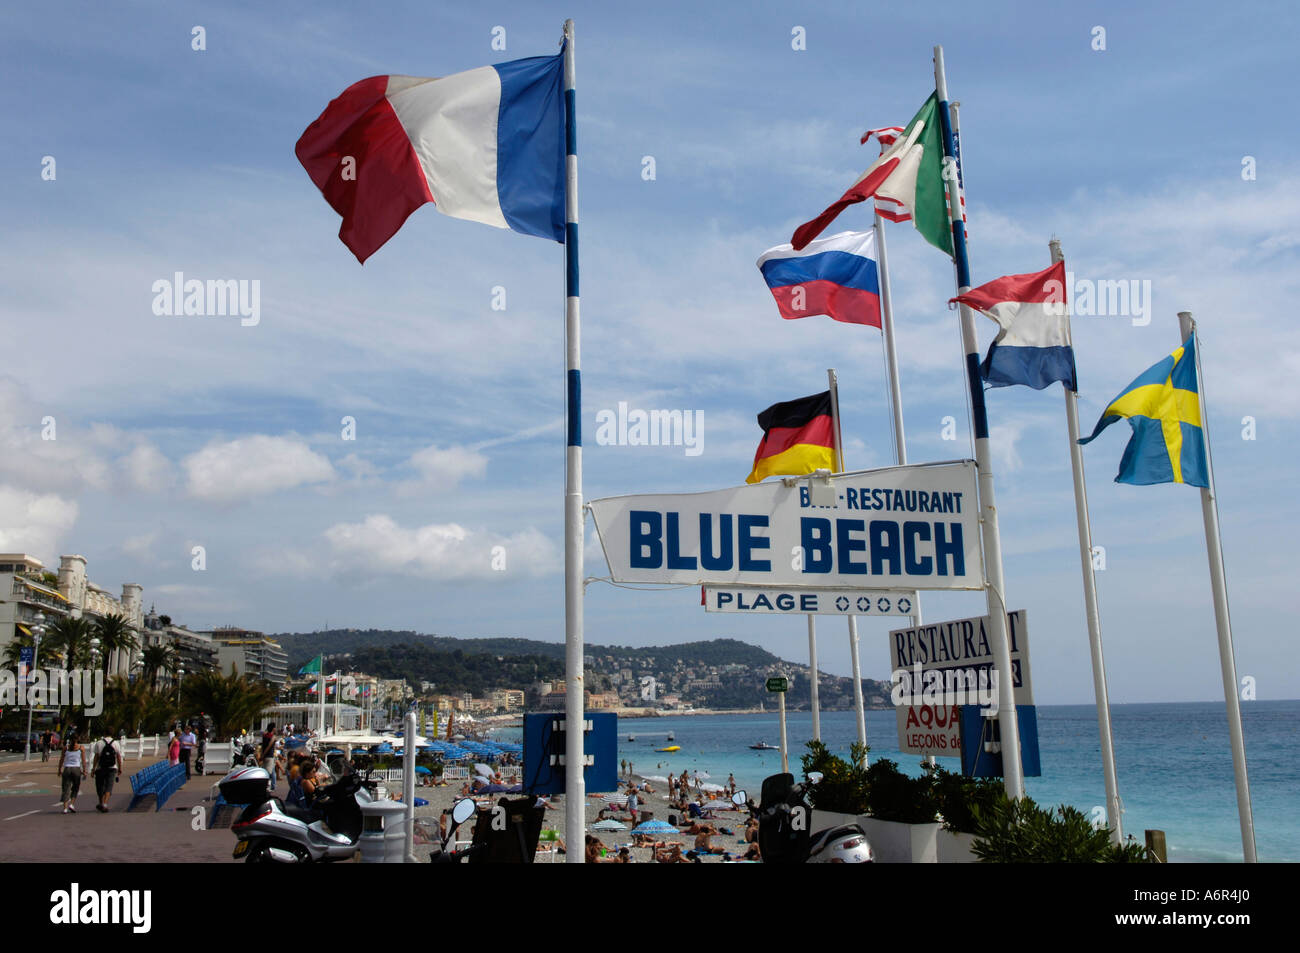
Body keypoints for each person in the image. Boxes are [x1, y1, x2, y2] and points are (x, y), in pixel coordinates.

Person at [91, 730, 124, 813]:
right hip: (112, 768)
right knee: (109, 786)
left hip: (100, 768)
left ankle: (101, 802)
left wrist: (93, 768)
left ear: (104, 733)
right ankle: (105, 804)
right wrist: (120, 768)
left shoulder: (99, 743)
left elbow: (96, 757)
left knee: (100, 786)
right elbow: (118, 757)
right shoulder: (116, 743)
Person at [57, 733, 85, 814]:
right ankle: (72, 804)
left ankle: (65, 808)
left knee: (66, 788)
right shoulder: (81, 748)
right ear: (78, 739)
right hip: (76, 769)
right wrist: (84, 771)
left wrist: (59, 770)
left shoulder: (66, 748)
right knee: (75, 788)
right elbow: (83, 761)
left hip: (67, 769)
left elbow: (61, 760)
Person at [259, 723, 277, 790]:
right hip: (269, 756)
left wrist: (262, 755)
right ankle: (268, 786)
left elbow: (263, 746)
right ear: (273, 728)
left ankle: (273, 785)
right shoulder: (273, 737)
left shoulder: (265, 735)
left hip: (265, 756)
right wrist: (263, 754)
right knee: (268, 772)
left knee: (272, 770)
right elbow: (269, 746)